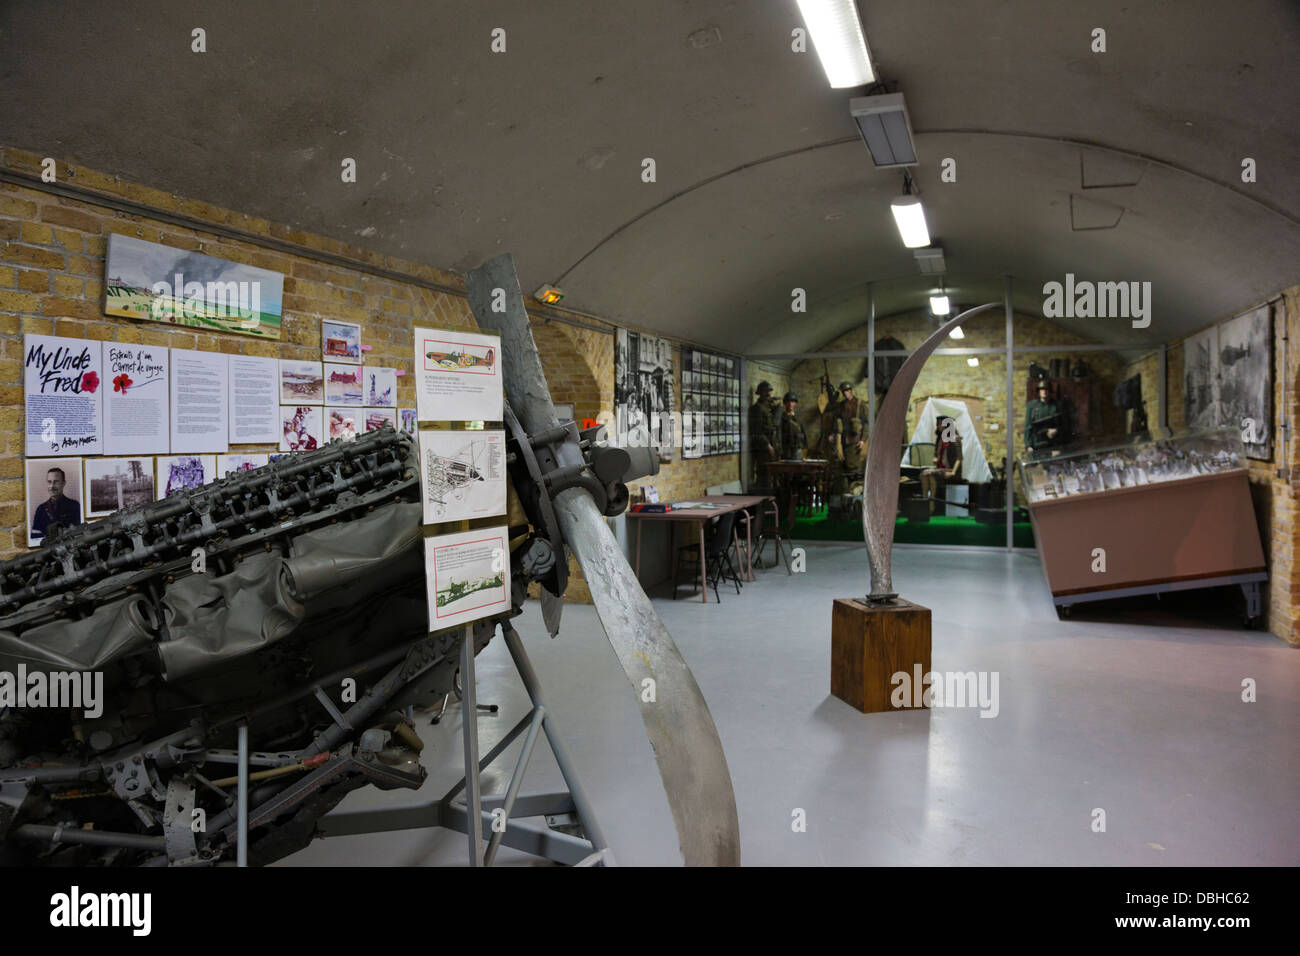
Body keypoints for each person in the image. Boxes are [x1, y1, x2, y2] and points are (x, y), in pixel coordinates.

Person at [920, 415, 962, 514]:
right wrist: (936, 458)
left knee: (931, 475)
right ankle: (925, 503)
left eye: (940, 424)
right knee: (924, 475)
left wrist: (953, 472)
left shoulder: (955, 439)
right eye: (937, 424)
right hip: (941, 469)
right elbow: (937, 456)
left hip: (952, 470)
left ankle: (931, 506)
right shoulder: (940, 439)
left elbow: (959, 459)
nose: (938, 426)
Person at [31, 466, 82, 539]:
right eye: (49, 482)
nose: (52, 486)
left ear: (63, 483)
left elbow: (78, 533)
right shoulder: (40, 509)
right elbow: (35, 537)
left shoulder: (74, 506)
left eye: (56, 482)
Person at [748, 381, 778, 486]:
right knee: (763, 474)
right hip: (762, 448)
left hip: (770, 444)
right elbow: (757, 431)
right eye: (766, 392)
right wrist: (768, 446)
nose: (768, 394)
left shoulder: (767, 407)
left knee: (771, 476)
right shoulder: (756, 408)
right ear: (760, 393)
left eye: (769, 391)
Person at [1025, 382, 1070, 452]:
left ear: (1050, 391)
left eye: (1046, 389)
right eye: (1042, 389)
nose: (1044, 391)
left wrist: (1057, 430)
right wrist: (1028, 445)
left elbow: (1066, 425)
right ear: (1039, 391)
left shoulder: (1058, 405)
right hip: (1037, 445)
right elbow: (1028, 426)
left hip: (1053, 445)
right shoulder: (1032, 406)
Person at [777, 392, 806, 460]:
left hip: (798, 450)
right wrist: (779, 452)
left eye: (792, 402)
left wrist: (804, 452)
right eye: (788, 402)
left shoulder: (798, 418)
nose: (790, 404)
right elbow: (779, 435)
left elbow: (803, 434)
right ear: (785, 403)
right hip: (786, 451)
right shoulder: (782, 418)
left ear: (795, 403)